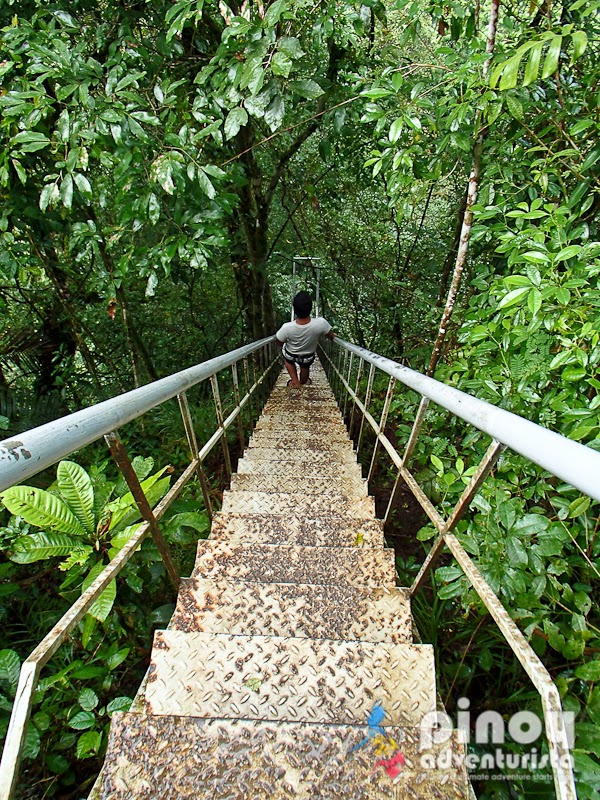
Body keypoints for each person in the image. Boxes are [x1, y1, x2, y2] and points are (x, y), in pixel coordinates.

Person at [275, 291, 336, 387]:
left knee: (288, 360)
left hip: (290, 354)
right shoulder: (321, 323)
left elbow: (279, 342)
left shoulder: (286, 327)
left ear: (294, 309)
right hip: (307, 356)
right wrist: (332, 336)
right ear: (311, 308)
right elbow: (330, 335)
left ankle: (295, 382)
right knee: (305, 367)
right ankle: (303, 381)